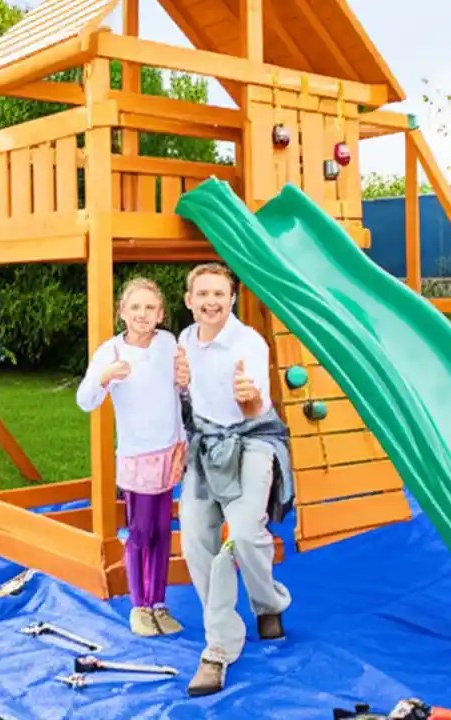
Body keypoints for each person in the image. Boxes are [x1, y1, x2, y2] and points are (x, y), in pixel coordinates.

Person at [173, 262, 295, 696]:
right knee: (193, 536)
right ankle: (220, 640)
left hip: (252, 438)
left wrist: (249, 397)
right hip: (207, 443)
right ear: (189, 301)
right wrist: (182, 388)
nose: (210, 302)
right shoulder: (186, 339)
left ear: (232, 299)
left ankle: (268, 602)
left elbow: (251, 410)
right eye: (202, 294)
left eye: (219, 295)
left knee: (244, 533)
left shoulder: (250, 344)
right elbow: (183, 400)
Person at [76, 277, 187, 637]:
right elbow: (85, 400)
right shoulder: (111, 351)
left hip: (167, 452)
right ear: (122, 312)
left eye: (150, 308)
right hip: (136, 456)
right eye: (135, 307)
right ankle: (139, 606)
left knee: (162, 530)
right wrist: (105, 377)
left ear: (161, 314)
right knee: (140, 532)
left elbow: (176, 395)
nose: (142, 314)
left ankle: (159, 603)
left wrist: (182, 442)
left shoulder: (168, 343)